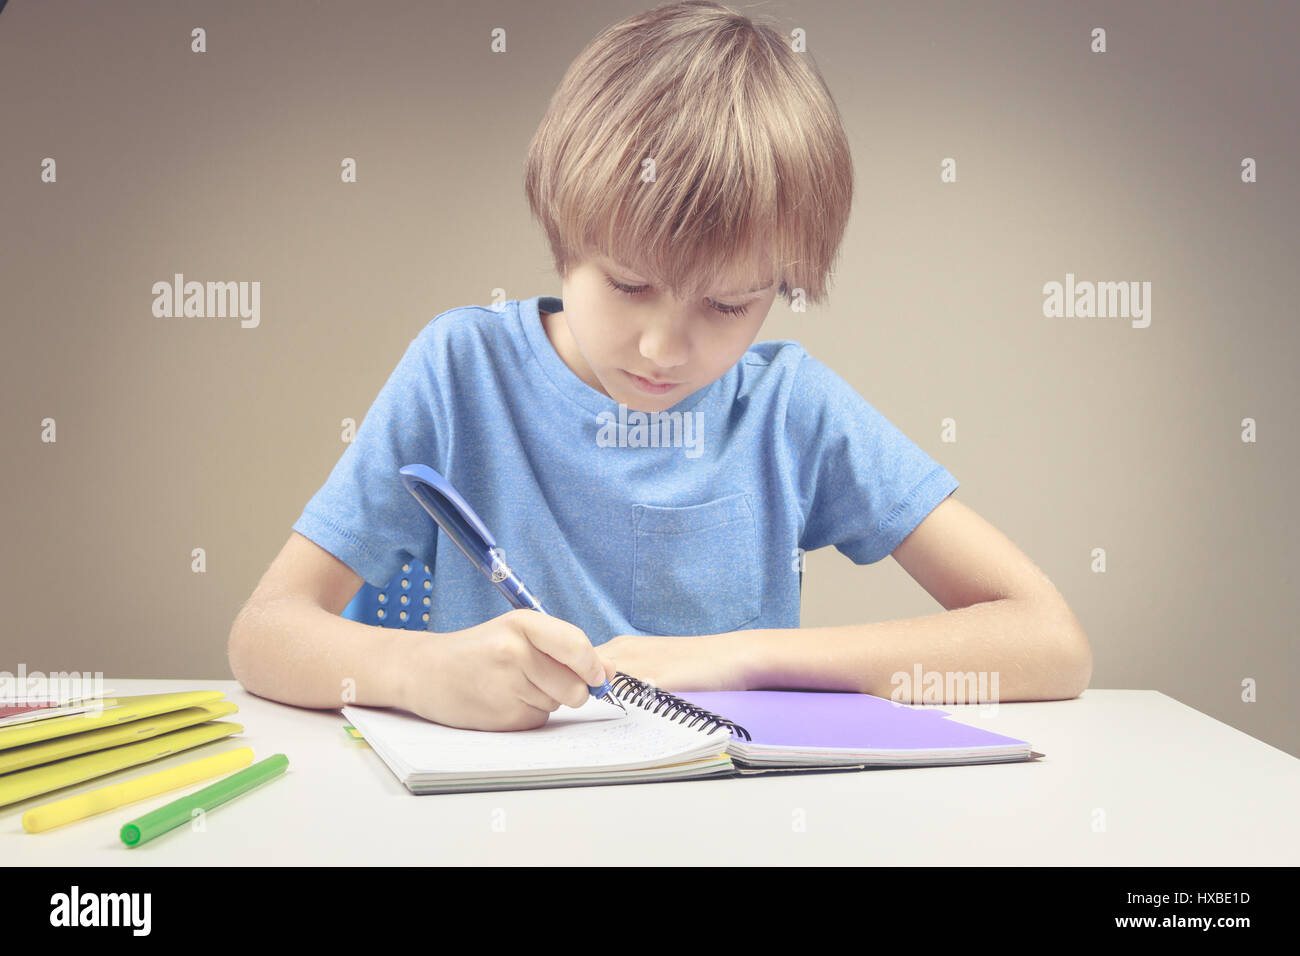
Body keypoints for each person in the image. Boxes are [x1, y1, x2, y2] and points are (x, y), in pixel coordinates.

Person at [228, 1, 1090, 732]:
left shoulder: (791, 409)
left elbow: (1049, 643)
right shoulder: (461, 371)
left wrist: (737, 662)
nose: (665, 349)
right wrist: (421, 676)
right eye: (630, 284)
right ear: (563, 230)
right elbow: (264, 634)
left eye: (728, 305)